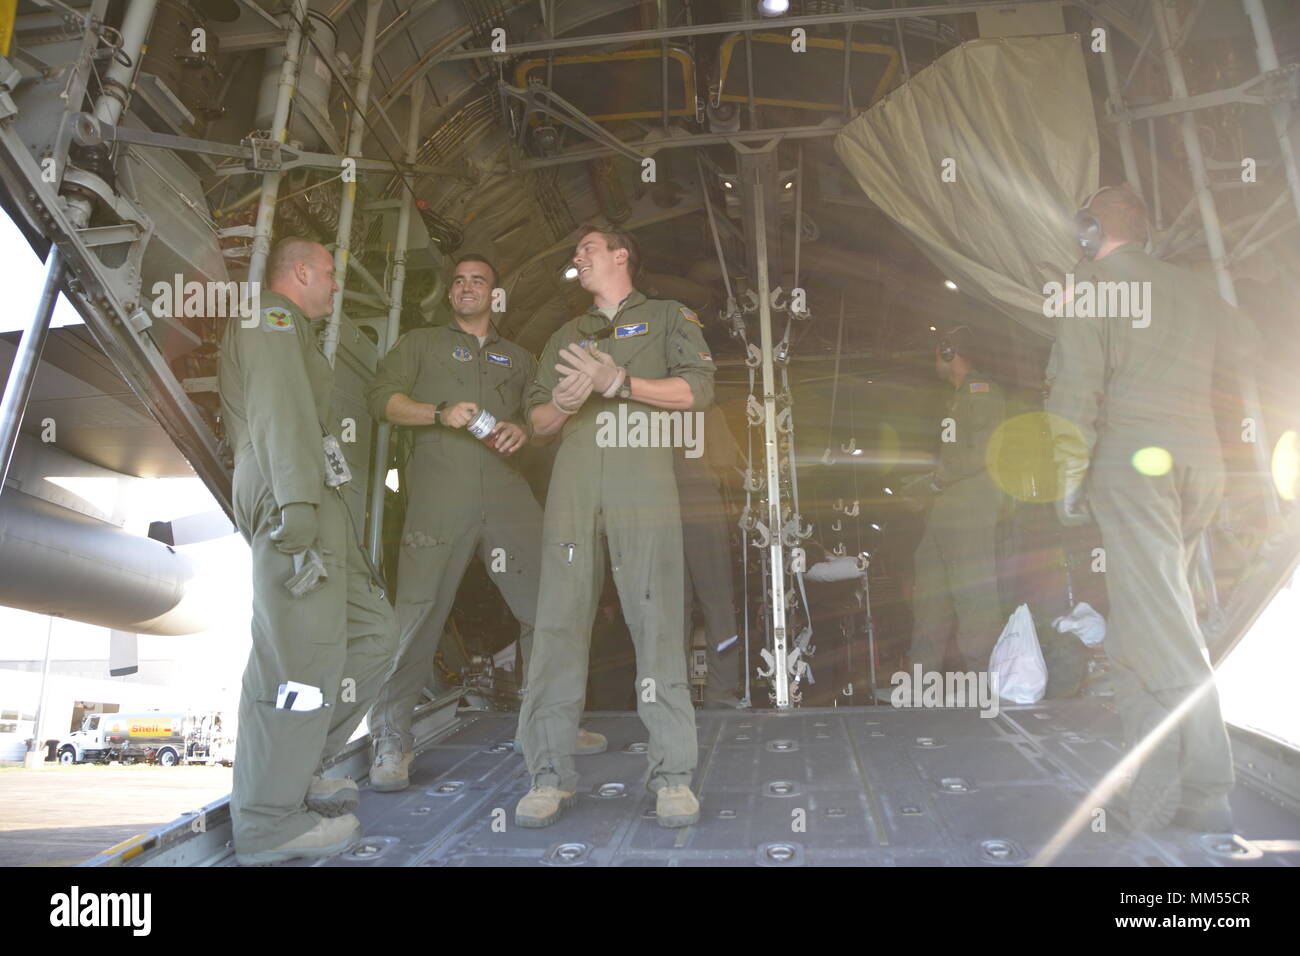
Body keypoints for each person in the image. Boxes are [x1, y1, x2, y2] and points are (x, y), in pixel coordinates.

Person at [1045, 183, 1252, 833]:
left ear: (1088, 231)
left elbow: (1074, 393)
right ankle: (1156, 789)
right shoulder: (1191, 289)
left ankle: (1208, 782)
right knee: (1141, 627)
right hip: (1201, 467)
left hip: (1137, 472)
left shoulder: (1092, 289)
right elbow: (1248, 347)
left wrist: (1067, 482)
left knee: (1162, 630)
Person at [365, 254, 604, 791]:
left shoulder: (519, 359)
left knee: (550, 608)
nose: (468, 289)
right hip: (438, 499)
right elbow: (382, 400)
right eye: (460, 282)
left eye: (479, 281)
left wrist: (527, 433)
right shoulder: (419, 345)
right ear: (451, 294)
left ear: (494, 296)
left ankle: (550, 725)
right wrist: (437, 412)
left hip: (504, 493)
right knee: (416, 616)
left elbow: (541, 422)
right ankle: (391, 740)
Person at [514, 223, 715, 828]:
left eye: (589, 248)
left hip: (640, 474)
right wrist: (567, 403)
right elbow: (538, 421)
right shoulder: (564, 335)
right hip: (575, 477)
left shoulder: (669, 315)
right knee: (557, 621)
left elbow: (697, 391)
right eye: (575, 250)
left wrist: (619, 382)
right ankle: (548, 775)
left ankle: (673, 777)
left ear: (622, 255)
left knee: (656, 619)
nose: (578, 256)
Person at [218, 237, 398, 865]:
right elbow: (279, 411)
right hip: (289, 493)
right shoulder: (269, 316)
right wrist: (296, 503)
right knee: (297, 660)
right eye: (328, 273)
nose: (335, 285)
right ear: (299, 271)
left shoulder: (288, 326)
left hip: (315, 500)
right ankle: (270, 823)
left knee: (375, 634)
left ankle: (300, 767)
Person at [902, 325, 1008, 681]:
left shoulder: (982, 391)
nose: (936, 360)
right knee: (930, 595)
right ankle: (920, 683)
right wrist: (928, 485)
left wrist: (937, 479)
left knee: (974, 595)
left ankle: (987, 682)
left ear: (949, 354)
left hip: (969, 510)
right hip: (947, 509)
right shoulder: (960, 396)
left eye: (939, 353)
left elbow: (984, 450)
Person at [675, 405, 745, 707]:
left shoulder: (644, 404)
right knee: (718, 603)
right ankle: (721, 693)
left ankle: (675, 692)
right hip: (701, 502)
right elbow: (726, 459)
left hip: (658, 507)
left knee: (672, 607)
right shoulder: (705, 407)